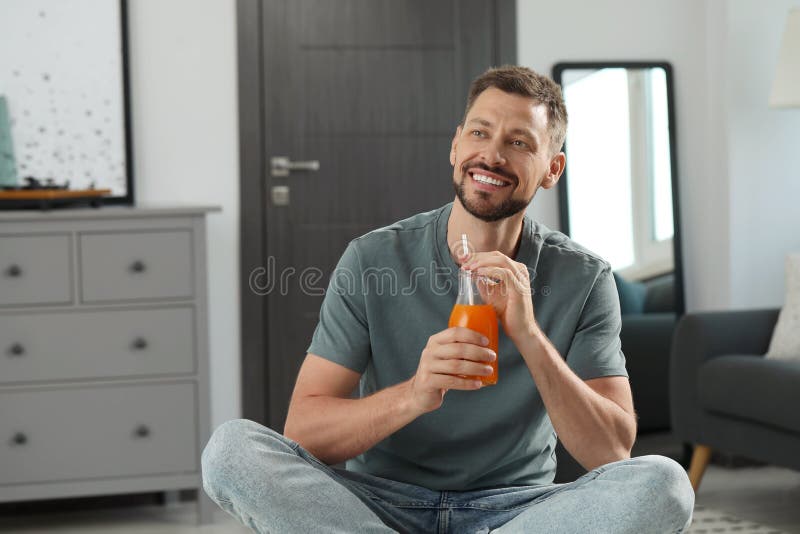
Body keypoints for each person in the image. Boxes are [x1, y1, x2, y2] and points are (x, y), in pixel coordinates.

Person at [202, 65, 694, 533]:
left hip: (515, 512)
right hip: (377, 502)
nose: (493, 155)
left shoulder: (584, 278)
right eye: (480, 133)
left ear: (552, 168)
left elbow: (611, 451)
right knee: (230, 450)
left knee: (666, 485)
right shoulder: (373, 258)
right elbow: (305, 432)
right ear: (456, 146)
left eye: (519, 142)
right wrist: (415, 393)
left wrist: (527, 332)